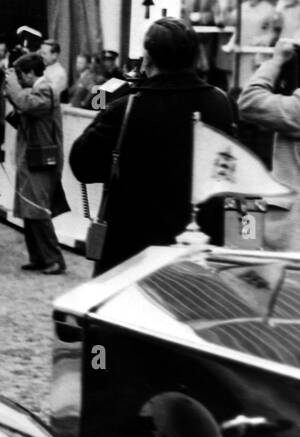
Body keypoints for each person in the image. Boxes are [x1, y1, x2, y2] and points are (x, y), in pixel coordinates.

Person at [69, 18, 235, 274]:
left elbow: (83, 165)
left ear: (148, 58)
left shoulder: (127, 108)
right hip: (197, 249)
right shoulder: (220, 104)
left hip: (131, 250)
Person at [3, 53, 68, 274]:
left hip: (41, 158)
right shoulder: (38, 89)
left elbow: (27, 104)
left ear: (31, 73)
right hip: (32, 156)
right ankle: (39, 258)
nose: (18, 80)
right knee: (29, 209)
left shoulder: (45, 89)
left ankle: (54, 259)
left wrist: (12, 87)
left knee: (38, 210)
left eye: (20, 76)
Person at [236, 37, 300, 252]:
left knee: (245, 264)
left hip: (284, 229)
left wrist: (274, 61)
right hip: (264, 205)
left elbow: (249, 101)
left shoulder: (294, 110)